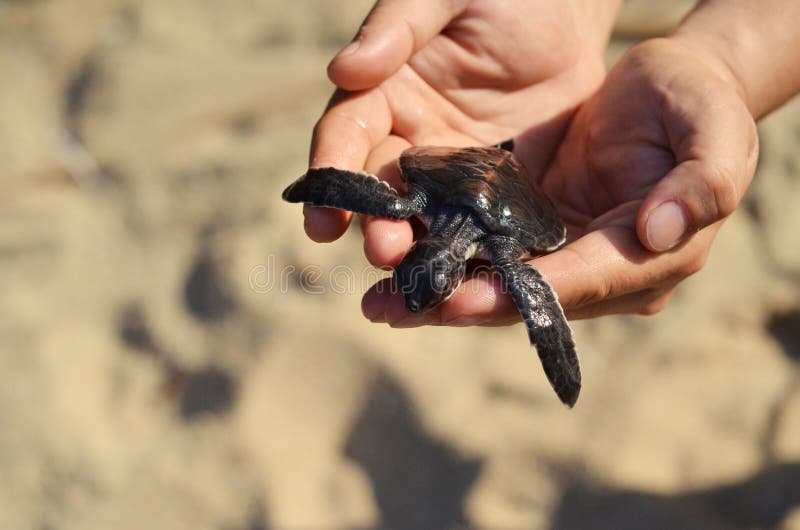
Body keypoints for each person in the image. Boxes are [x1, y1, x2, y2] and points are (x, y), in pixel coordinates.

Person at [299, 0, 800, 327]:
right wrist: (724, 59)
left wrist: (725, 63)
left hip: (479, 178)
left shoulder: (430, 207)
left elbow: (365, 191)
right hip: (469, 177)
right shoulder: (457, 224)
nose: (418, 294)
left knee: (510, 282)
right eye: (424, 287)